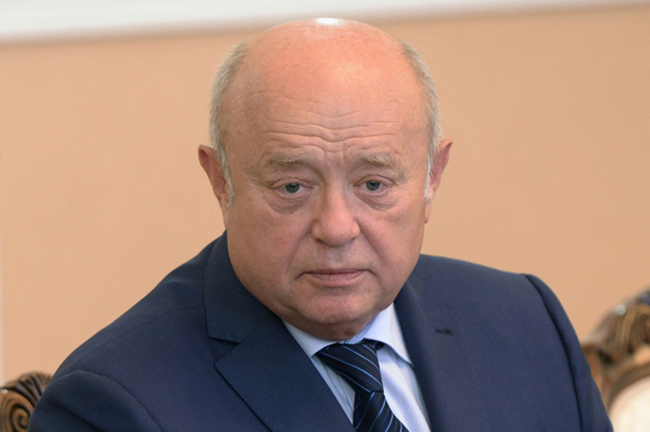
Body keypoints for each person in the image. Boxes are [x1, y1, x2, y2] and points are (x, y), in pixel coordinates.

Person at [30, 18, 612, 431]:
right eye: (292, 187)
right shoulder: (112, 405)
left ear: (432, 177)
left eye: (374, 185)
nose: (336, 228)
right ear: (221, 181)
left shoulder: (527, 321)